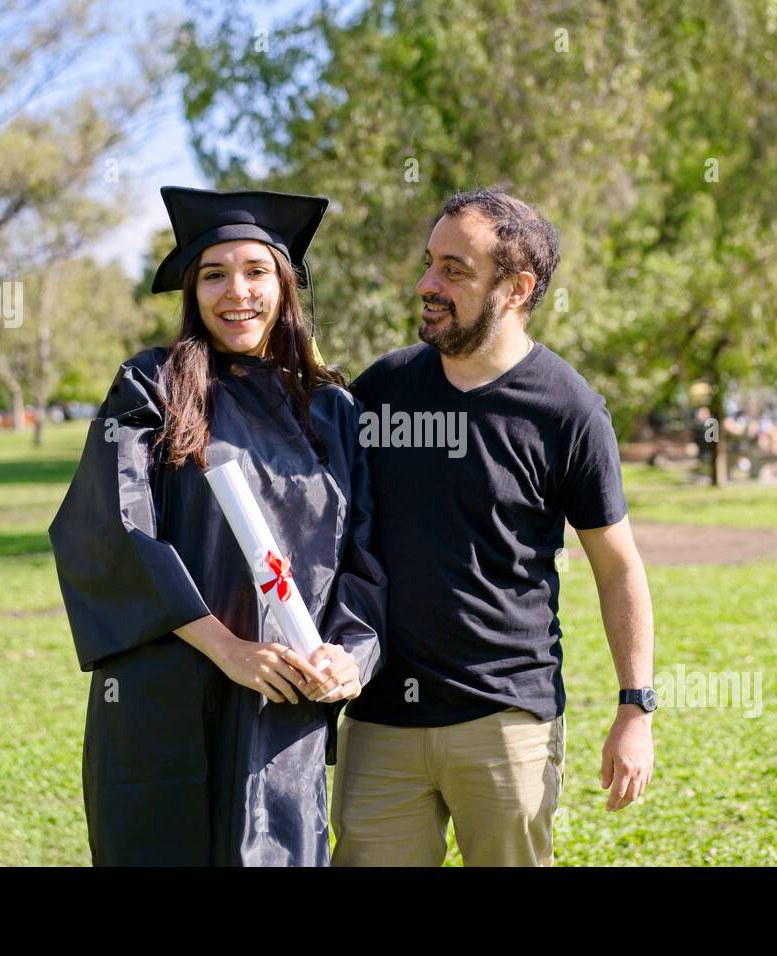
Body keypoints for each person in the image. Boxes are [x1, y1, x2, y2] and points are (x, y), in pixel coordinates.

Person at [48, 187, 386, 866]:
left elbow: (366, 557)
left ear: (285, 285)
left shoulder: (335, 411)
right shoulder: (152, 387)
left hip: (284, 704)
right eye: (214, 274)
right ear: (192, 291)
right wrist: (228, 648)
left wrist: (350, 655)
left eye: (257, 271)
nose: (238, 292)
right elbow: (115, 528)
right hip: (166, 698)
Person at [331, 187, 656, 867]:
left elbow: (618, 566)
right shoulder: (380, 391)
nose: (426, 285)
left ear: (516, 288)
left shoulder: (568, 411)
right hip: (382, 717)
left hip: (507, 719)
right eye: (429, 263)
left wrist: (635, 708)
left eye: (455, 270)